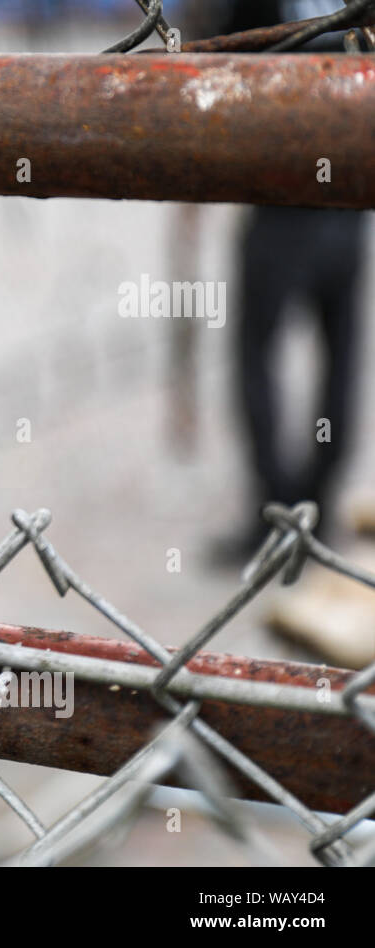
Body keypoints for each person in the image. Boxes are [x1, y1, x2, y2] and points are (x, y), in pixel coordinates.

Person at [217, 0, 368, 556]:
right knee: (339, 354)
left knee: (258, 351)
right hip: (348, 187)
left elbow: (223, 56)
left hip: (281, 190)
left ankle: (277, 510)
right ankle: (313, 507)